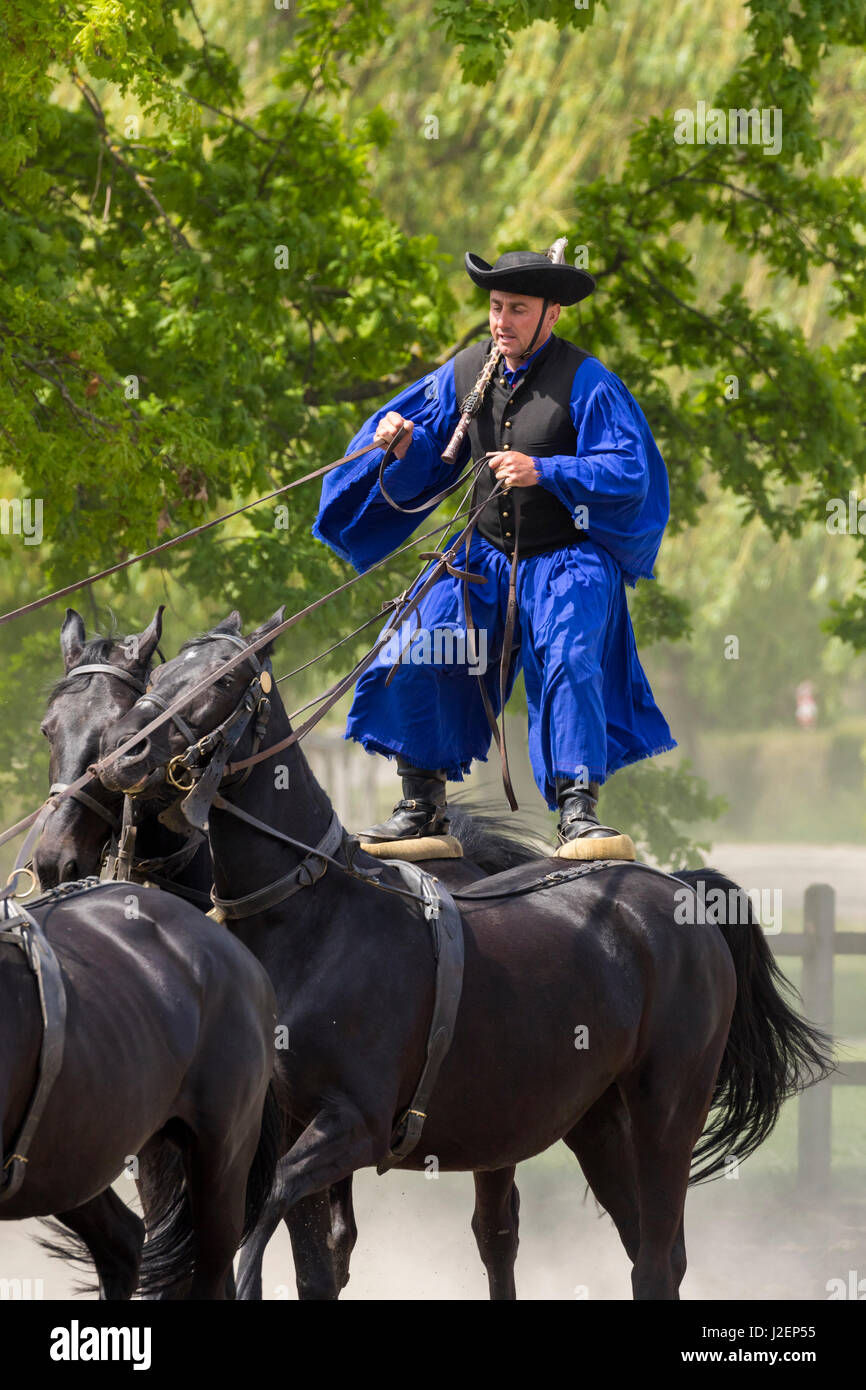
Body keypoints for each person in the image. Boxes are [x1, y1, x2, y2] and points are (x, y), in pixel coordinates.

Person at [313, 241, 676, 852]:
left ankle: (577, 811)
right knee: (416, 643)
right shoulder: (463, 372)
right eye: (496, 306)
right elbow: (434, 467)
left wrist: (547, 471)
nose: (502, 321)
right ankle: (421, 805)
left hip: (567, 559)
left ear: (551, 315)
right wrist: (403, 445)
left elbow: (628, 472)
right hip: (481, 558)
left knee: (568, 655)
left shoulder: (588, 382)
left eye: (518, 310)